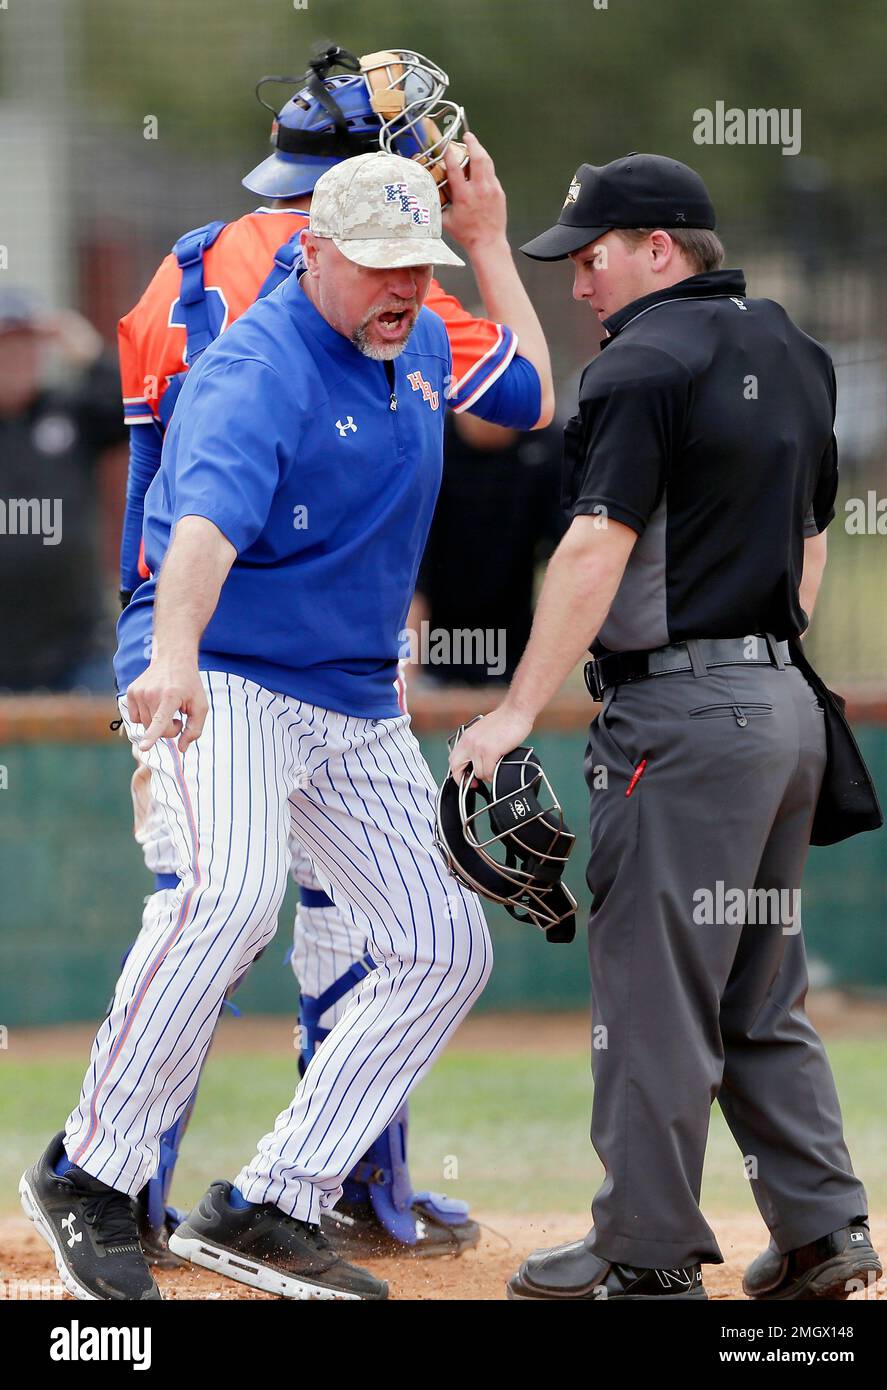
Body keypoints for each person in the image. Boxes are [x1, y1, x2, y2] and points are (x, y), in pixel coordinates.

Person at [20, 151, 508, 1303]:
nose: (404, 287)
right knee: (225, 896)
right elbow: (200, 531)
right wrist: (175, 659)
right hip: (223, 670)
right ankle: (88, 1170)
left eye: (419, 266)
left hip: (348, 695)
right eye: (381, 265)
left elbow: (525, 393)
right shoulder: (257, 367)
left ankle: (272, 1198)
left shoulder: (422, 340)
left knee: (446, 946)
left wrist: (486, 241)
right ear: (315, 252)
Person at [115, 45, 553, 1261]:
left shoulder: (186, 264)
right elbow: (522, 398)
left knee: (199, 908)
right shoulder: (382, 272)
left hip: (179, 623)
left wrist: (163, 638)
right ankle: (353, 1190)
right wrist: (489, 239)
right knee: (341, 923)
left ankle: (139, 1198)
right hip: (288, 645)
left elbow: (159, 466)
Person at [450, 153, 883, 1302]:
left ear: (659, 247)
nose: (577, 282)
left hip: (682, 725)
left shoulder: (638, 363)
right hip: (786, 709)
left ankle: (641, 1254)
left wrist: (510, 713)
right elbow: (814, 531)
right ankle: (822, 1231)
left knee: (652, 994)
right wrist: (765, 648)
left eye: (589, 258)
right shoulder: (789, 346)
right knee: (757, 987)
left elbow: (595, 547)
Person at [0, 289, 124, 692]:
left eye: (27, 345)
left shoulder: (67, 412)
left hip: (78, 651)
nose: (19, 359)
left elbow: (133, 409)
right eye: (7, 348)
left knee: (111, 749)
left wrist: (89, 353)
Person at [408, 409, 567, 687]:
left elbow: (572, 563)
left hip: (512, 655)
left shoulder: (551, 445)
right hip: (430, 652)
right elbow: (410, 575)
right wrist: (406, 686)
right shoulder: (428, 439)